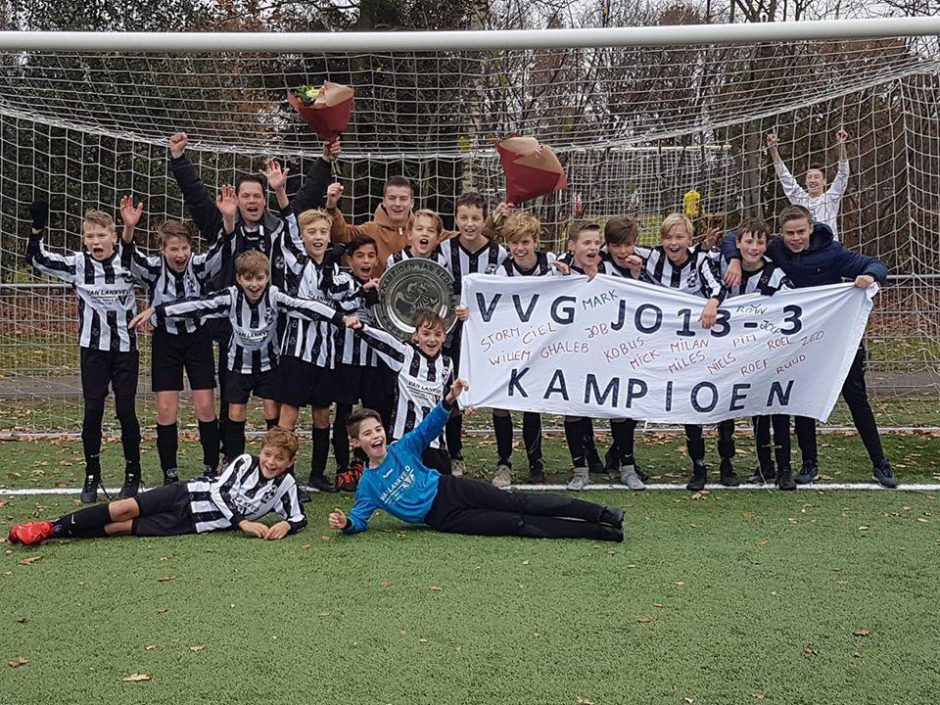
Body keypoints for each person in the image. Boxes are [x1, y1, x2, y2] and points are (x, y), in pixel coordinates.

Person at [168, 132, 337, 457]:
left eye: (257, 195)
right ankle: (228, 461)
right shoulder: (222, 223)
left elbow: (306, 195)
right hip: (234, 333)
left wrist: (326, 160)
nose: (251, 201)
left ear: (264, 199)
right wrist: (179, 160)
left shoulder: (276, 226)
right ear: (238, 199)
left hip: (276, 332)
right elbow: (196, 197)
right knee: (233, 401)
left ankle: (275, 460)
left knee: (273, 402)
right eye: (245, 195)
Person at [721, 205, 896, 488]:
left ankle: (880, 463)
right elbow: (732, 238)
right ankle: (809, 463)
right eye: (789, 233)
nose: (796, 238)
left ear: (811, 228)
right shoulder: (774, 249)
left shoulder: (833, 252)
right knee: (801, 400)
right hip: (796, 343)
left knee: (856, 398)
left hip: (836, 339)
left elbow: (876, 264)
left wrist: (870, 276)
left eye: (801, 231)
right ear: (781, 234)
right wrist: (733, 260)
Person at [328, 379, 625, 542]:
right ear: (356, 442)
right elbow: (360, 519)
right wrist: (346, 524)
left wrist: (449, 399)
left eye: (378, 429)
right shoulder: (368, 484)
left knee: (517, 503)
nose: (377, 436)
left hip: (450, 488)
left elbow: (429, 426)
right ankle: (598, 532)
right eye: (368, 434)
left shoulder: (402, 448)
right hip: (443, 519)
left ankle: (603, 513)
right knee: (516, 524)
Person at [131, 246, 349, 464]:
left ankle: (279, 468)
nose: (254, 285)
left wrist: (340, 318)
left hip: (269, 364)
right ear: (238, 278)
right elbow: (197, 304)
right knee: (236, 411)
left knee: (273, 411)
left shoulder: (275, 296)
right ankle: (235, 465)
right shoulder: (230, 297)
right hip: (238, 365)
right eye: (248, 278)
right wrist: (157, 310)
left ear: (267, 278)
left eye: (260, 278)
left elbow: (306, 305)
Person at [7, 427, 307, 546]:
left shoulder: (286, 485)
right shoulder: (244, 461)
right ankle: (47, 525)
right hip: (187, 493)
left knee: (121, 527)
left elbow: (298, 517)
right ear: (262, 450)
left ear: (289, 462)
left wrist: (286, 526)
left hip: (194, 523)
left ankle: (56, 534)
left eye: (279, 459)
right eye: (268, 454)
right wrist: (242, 522)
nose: (271, 462)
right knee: (123, 508)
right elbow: (218, 491)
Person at [25, 201, 143, 503]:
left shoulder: (129, 263)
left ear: (113, 237)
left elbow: (160, 274)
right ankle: (92, 474)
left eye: (101, 235)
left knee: (126, 412)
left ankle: (133, 473)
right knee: (93, 413)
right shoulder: (78, 264)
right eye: (89, 236)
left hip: (126, 350)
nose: (95, 241)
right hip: (93, 351)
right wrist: (37, 229)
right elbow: (37, 259)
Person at [120, 201, 223, 483]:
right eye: (173, 249)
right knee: (166, 408)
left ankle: (211, 467)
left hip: (197, 338)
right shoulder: (153, 270)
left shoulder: (199, 266)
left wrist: (228, 219)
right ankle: (170, 471)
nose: (180, 254)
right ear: (163, 250)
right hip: (166, 341)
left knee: (205, 405)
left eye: (184, 248)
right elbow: (128, 256)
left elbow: (223, 248)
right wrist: (129, 227)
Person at [638, 213, 727, 491]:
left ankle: (726, 462)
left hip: (698, 344)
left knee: (711, 397)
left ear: (690, 240)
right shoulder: (651, 257)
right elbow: (615, 246)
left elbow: (717, 287)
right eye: (668, 237)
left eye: (679, 237)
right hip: (662, 345)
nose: (673, 243)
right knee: (681, 401)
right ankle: (698, 465)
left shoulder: (701, 261)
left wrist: (713, 303)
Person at [559, 221, 645, 492]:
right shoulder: (558, 270)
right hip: (571, 352)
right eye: (587, 242)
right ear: (573, 246)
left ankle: (627, 467)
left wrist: (636, 275)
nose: (593, 247)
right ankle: (580, 470)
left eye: (597, 243)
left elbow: (635, 301)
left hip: (610, 350)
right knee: (574, 410)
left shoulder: (611, 270)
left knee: (617, 406)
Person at [712, 219, 796, 490]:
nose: (754, 247)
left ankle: (781, 468)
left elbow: (792, 307)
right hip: (725, 352)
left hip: (765, 353)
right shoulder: (721, 265)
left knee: (772, 405)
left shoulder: (775, 274)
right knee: (728, 404)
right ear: (737, 244)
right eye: (748, 241)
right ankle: (728, 463)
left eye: (760, 242)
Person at [485, 211, 561, 487]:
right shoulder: (501, 271)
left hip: (542, 345)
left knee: (532, 403)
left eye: (525, 242)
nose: (519, 248)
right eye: (514, 243)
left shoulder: (552, 264)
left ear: (536, 240)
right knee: (501, 405)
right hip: (509, 345)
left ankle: (535, 462)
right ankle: (503, 463)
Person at [437, 192, 507, 477]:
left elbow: (507, 295)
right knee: (453, 394)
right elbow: (436, 289)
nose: (469, 224)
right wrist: (455, 308)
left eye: (475, 218)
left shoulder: (498, 253)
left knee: (500, 399)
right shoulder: (444, 250)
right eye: (463, 217)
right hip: (453, 336)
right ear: (455, 218)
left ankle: (505, 462)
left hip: (489, 338)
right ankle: (455, 456)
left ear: (484, 220)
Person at [276, 208, 343, 493]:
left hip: (325, 353)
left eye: (323, 232)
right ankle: (282, 474)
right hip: (296, 351)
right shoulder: (296, 262)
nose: (318, 237)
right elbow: (288, 227)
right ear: (302, 237)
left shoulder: (335, 269)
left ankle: (317, 473)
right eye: (311, 232)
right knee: (289, 413)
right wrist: (280, 194)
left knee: (322, 413)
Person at [325, 234, 394, 490]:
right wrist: (362, 292)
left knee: (377, 415)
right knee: (345, 414)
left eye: (371, 256)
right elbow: (338, 300)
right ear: (350, 260)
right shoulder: (342, 281)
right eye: (360, 256)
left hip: (376, 363)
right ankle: (344, 466)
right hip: (348, 361)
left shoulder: (385, 284)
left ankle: (370, 464)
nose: (366, 261)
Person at [350, 310, 454, 473]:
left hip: (434, 443)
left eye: (437, 334)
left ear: (444, 337)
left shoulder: (448, 364)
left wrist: (468, 402)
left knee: (442, 493)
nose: (432, 339)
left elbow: (451, 395)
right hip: (402, 439)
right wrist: (362, 327)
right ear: (416, 336)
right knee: (400, 490)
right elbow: (384, 341)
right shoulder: (405, 354)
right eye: (426, 334)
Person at [768, 129, 850, 241]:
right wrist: (772, 149)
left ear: (824, 181)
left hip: (829, 249)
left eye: (816, 177)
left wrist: (841, 145)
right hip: (807, 250)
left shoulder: (831, 197)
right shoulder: (800, 198)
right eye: (809, 177)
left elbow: (843, 174)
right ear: (806, 181)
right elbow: (784, 176)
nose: (812, 180)